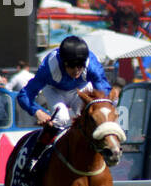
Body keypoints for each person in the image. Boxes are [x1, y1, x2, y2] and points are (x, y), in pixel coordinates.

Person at [16, 35, 111, 171]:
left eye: (80, 65)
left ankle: (102, 151)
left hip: (81, 89)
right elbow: (24, 95)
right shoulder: (49, 67)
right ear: (63, 62)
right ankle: (36, 156)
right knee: (62, 117)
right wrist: (37, 112)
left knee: (89, 116)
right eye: (72, 66)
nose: (77, 70)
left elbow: (104, 93)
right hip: (54, 91)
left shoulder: (92, 66)